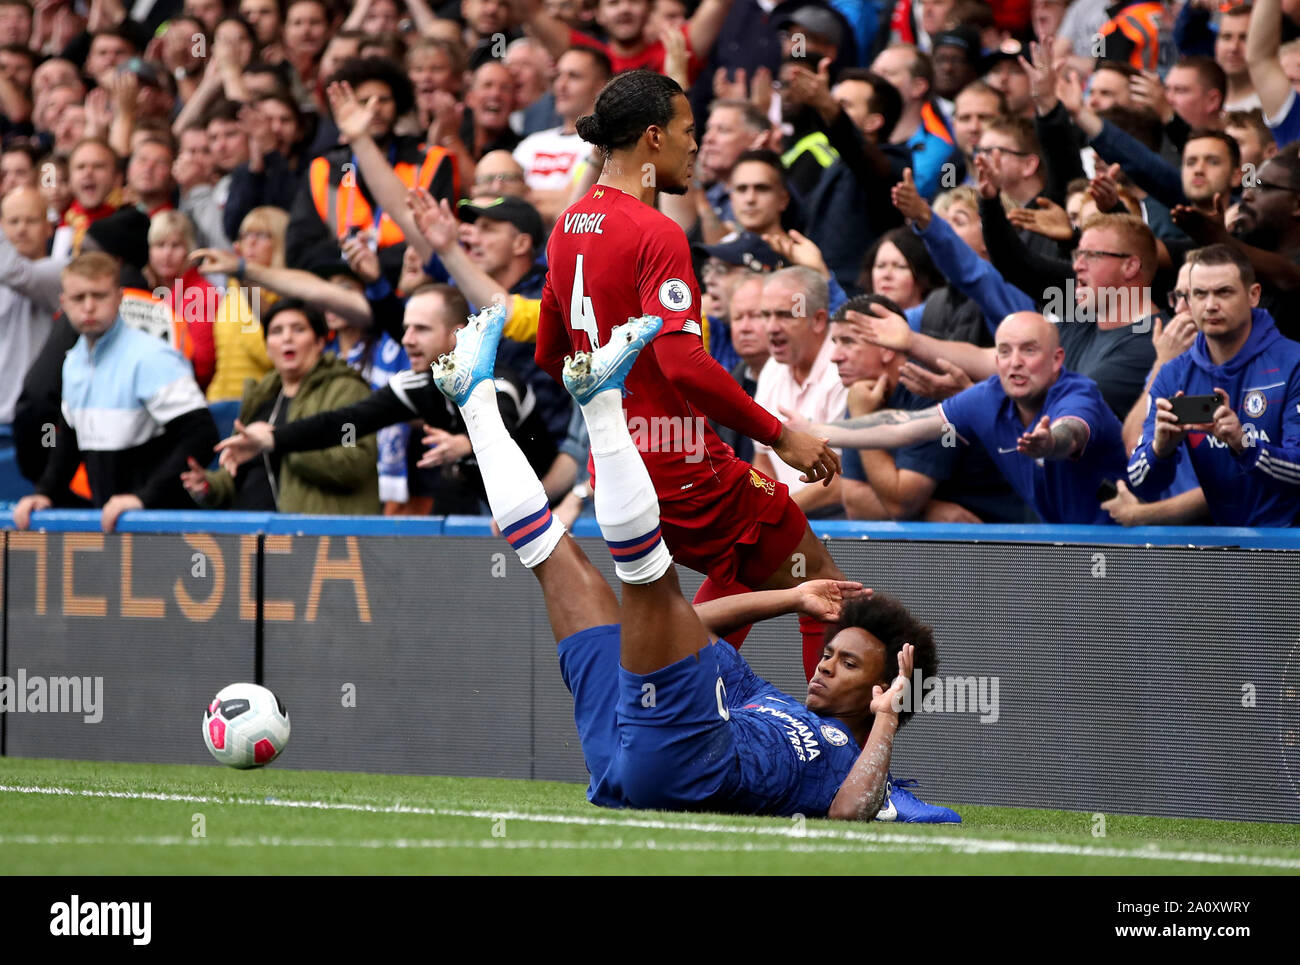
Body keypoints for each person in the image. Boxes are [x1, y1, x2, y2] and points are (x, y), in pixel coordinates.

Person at [423, 291, 958, 822]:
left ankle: (604, 407)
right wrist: (791, 597)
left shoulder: (863, 766)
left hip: (686, 763)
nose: (823, 665)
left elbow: (848, 814)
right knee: (552, 554)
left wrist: (886, 721)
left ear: (881, 692)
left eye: (847, 664)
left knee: (648, 585)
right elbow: (686, 627)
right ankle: (476, 401)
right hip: (623, 754)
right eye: (831, 654)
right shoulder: (772, 698)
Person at [534, 68, 847, 680]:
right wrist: (781, 435)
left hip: (617, 470)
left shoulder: (567, 228)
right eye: (688, 130)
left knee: (732, 584)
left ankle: (694, 748)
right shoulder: (655, 232)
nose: (696, 145)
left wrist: (617, 409)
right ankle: (838, 759)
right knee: (828, 595)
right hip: (682, 469)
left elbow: (552, 353)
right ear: (653, 138)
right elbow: (684, 362)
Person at [215, 294, 557, 514]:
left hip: (550, 503)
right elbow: (344, 423)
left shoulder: (498, 380)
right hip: (486, 506)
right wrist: (272, 439)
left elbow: (505, 429)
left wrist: (466, 445)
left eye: (421, 329)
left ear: (456, 334)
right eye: (406, 328)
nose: (407, 340)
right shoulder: (414, 385)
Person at [786, 312, 1129, 525]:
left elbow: (1072, 432)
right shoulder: (987, 396)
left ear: (1057, 359)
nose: (1015, 362)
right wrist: (813, 430)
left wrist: (1051, 442)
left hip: (1137, 541)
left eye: (1029, 350)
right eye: (1005, 352)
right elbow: (903, 426)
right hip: (1067, 543)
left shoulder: (1078, 394)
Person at [12, 252, 218, 533]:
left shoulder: (151, 357)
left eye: (99, 296)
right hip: (113, 525)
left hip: (160, 527)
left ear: (120, 298)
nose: (88, 307)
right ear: (63, 303)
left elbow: (201, 434)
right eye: (78, 298)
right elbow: (70, 437)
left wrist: (144, 498)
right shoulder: (73, 360)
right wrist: (45, 492)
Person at [1127, 244, 1300, 526]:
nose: (1210, 305)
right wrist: (1160, 449)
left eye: (1224, 292)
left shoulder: (1293, 364)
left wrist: (1242, 443)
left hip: (1290, 545)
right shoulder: (1174, 374)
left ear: (1253, 295)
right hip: (1220, 546)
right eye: (1199, 294)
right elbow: (1139, 480)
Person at [182, 298, 380, 514]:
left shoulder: (346, 392)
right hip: (251, 538)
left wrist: (278, 441)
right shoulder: (261, 397)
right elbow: (238, 471)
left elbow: (353, 462)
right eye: (276, 331)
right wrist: (208, 485)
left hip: (314, 540)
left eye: (299, 329)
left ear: (320, 342)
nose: (287, 337)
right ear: (267, 347)